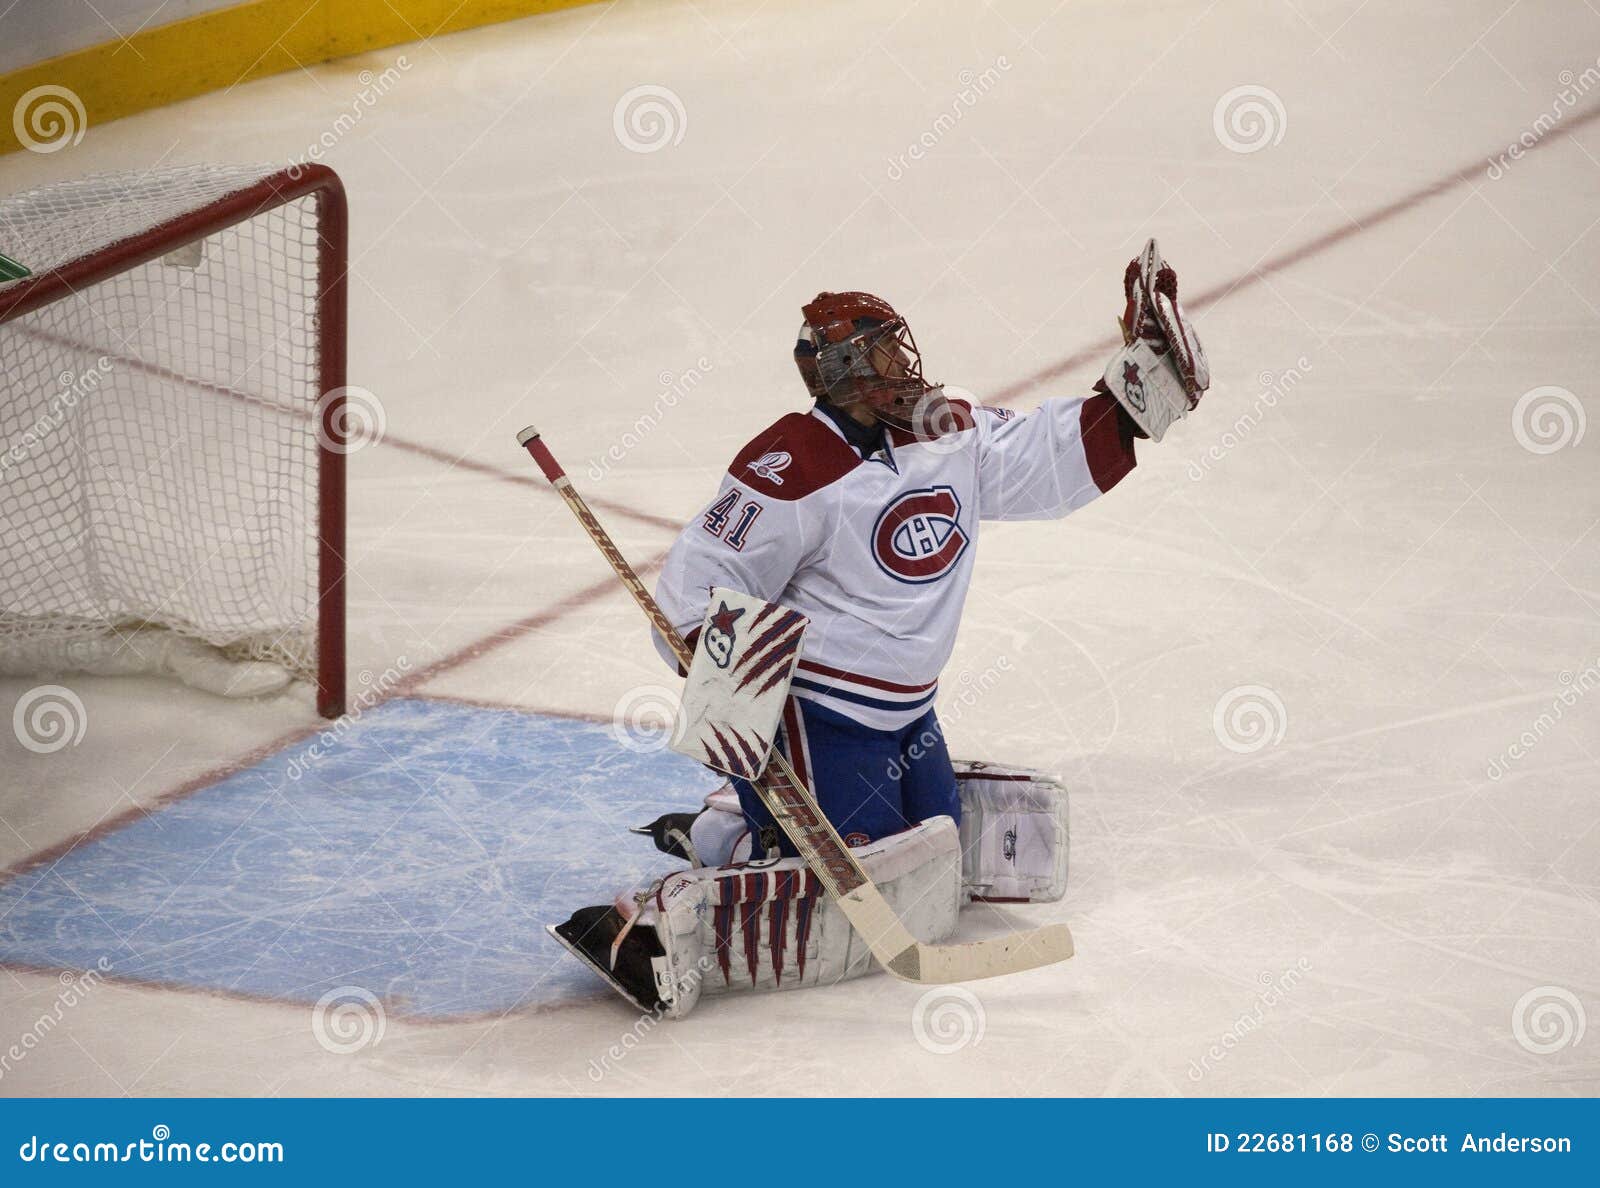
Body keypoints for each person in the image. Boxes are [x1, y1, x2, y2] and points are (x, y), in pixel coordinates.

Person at [551, 250, 1209, 1015]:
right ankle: (710, 862)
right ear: (841, 374)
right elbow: (693, 600)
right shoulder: (788, 467)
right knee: (867, 894)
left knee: (932, 847)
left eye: (900, 345)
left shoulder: (942, 425)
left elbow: (1043, 462)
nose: (905, 364)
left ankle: (725, 819)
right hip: (819, 717)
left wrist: (1137, 396)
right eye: (884, 353)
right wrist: (732, 706)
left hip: (909, 718)